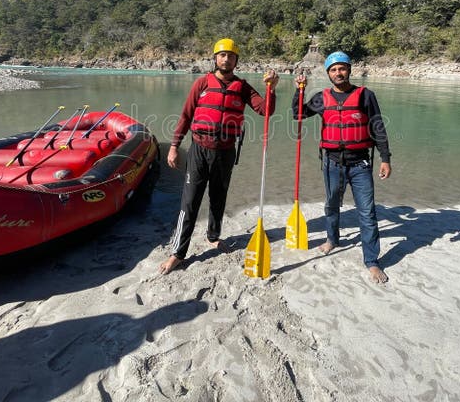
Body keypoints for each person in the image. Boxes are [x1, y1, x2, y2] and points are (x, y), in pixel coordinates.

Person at [160, 38, 279, 275]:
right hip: (198, 150)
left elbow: (266, 110)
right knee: (189, 201)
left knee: (218, 196)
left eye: (231, 56)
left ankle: (213, 236)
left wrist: (272, 89)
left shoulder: (243, 87)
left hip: (225, 152)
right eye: (222, 55)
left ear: (236, 60)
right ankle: (178, 253)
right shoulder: (202, 83)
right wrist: (174, 146)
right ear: (215, 58)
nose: (226, 59)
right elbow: (185, 116)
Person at [292, 51, 393, 284]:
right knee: (331, 205)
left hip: (361, 164)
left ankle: (372, 261)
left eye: (342, 68)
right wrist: (299, 91)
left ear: (349, 70)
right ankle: (332, 239)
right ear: (328, 73)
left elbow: (378, 127)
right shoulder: (321, 97)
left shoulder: (365, 95)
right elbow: (298, 115)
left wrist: (385, 158)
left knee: (367, 213)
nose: (338, 73)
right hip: (331, 163)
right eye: (333, 69)